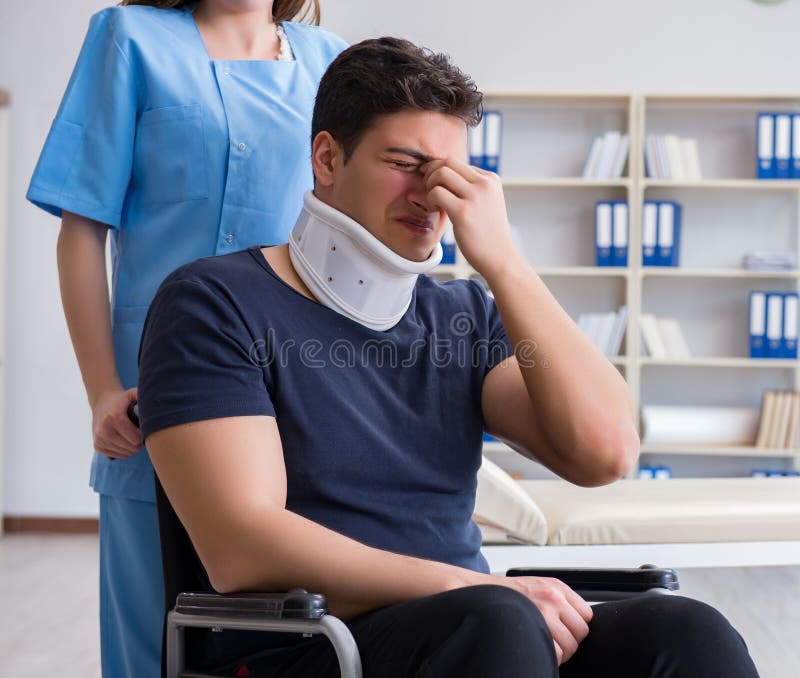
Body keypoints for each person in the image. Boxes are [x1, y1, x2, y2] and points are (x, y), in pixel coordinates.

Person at [137, 38, 760, 677]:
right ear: (327, 157)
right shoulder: (212, 303)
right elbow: (242, 546)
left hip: (476, 635)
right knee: (497, 622)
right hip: (306, 644)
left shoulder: (460, 315)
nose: (433, 195)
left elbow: (606, 452)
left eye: (452, 175)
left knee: (688, 632)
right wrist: (469, 589)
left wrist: (506, 262)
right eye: (406, 163)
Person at [26, 1, 346, 675]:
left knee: (288, 642)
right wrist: (100, 390)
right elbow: (82, 231)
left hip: (297, 395)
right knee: (153, 641)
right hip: (154, 403)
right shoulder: (128, 38)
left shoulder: (328, 62)